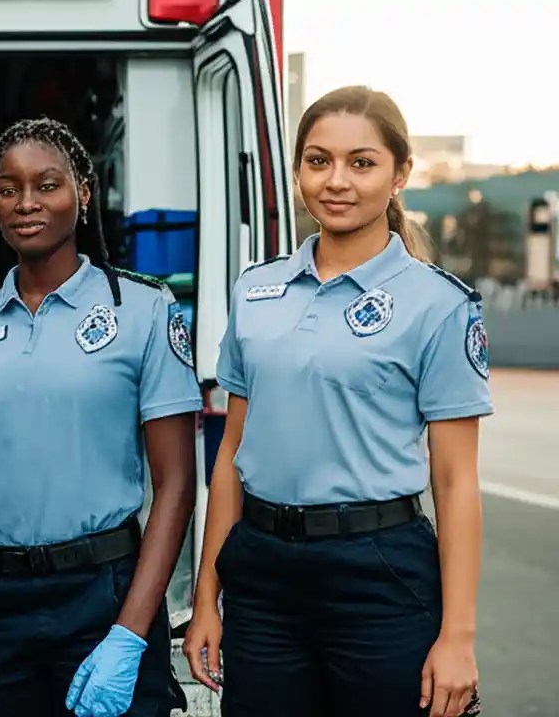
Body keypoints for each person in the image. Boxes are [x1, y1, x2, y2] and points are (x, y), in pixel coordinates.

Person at [182, 85, 490, 717]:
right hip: (262, 574)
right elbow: (232, 453)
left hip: (377, 573)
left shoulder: (439, 305)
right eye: (318, 160)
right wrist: (206, 597)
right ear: (297, 170)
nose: (337, 181)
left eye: (362, 162)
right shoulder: (257, 290)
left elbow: (456, 481)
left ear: (400, 173)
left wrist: (457, 637)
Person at [0, 117, 199, 717]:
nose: (26, 203)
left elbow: (175, 486)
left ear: (83, 193)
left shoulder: (145, 310)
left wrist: (129, 634)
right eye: (8, 188)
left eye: (47, 185)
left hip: (104, 592)